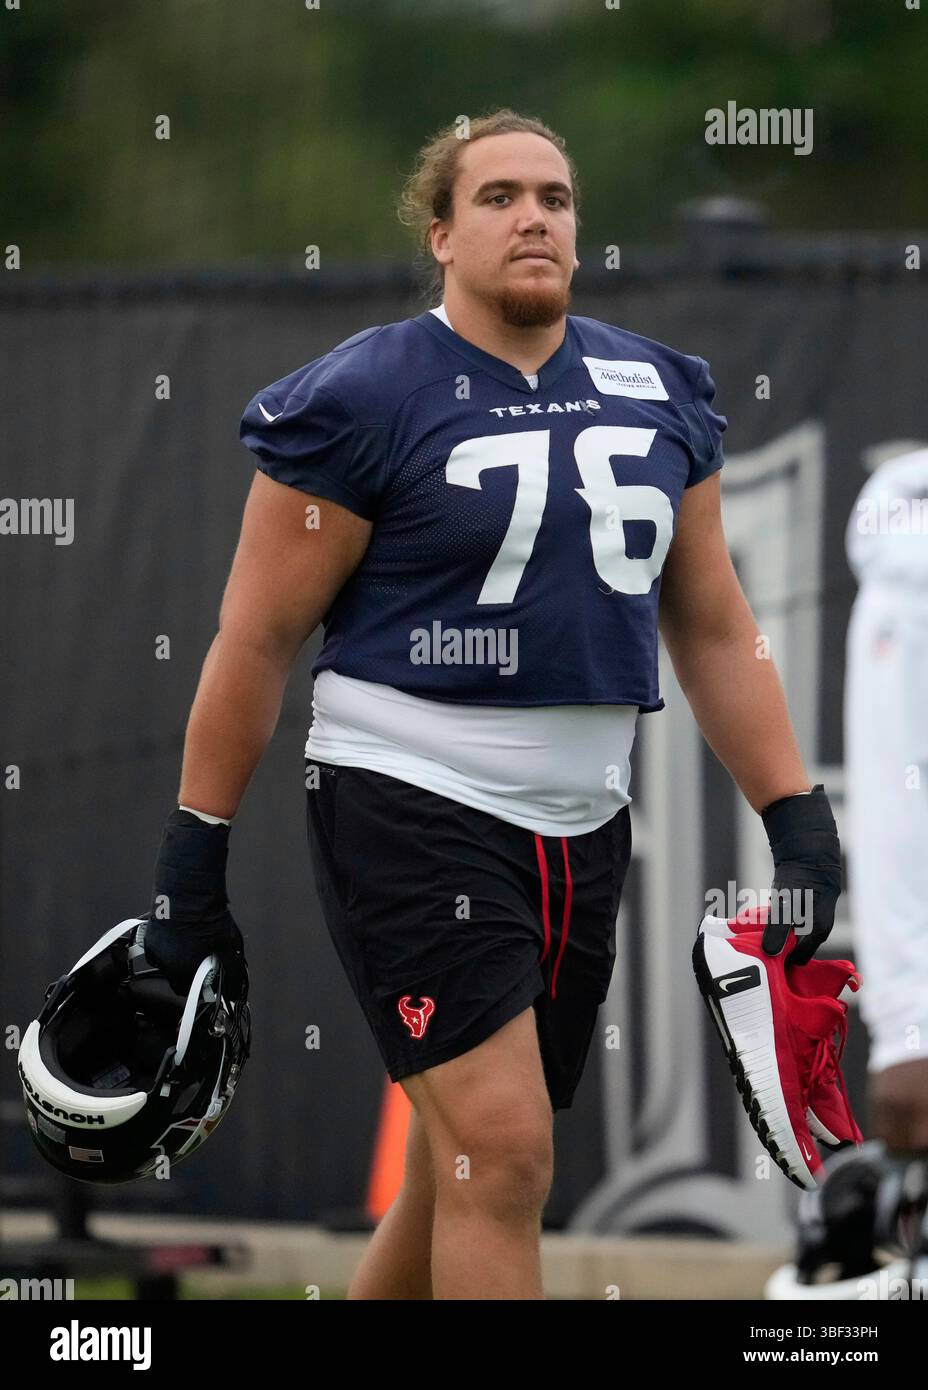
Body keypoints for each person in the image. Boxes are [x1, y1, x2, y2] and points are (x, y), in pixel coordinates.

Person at [144, 109, 840, 1299]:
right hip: (410, 793)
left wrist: (796, 818)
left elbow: (714, 621)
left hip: (582, 818)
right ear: (442, 232)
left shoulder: (657, 388)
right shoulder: (364, 393)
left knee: (458, 1164)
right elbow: (253, 640)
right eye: (502, 196)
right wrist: (190, 863)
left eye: (557, 199)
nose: (535, 218)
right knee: (505, 1148)